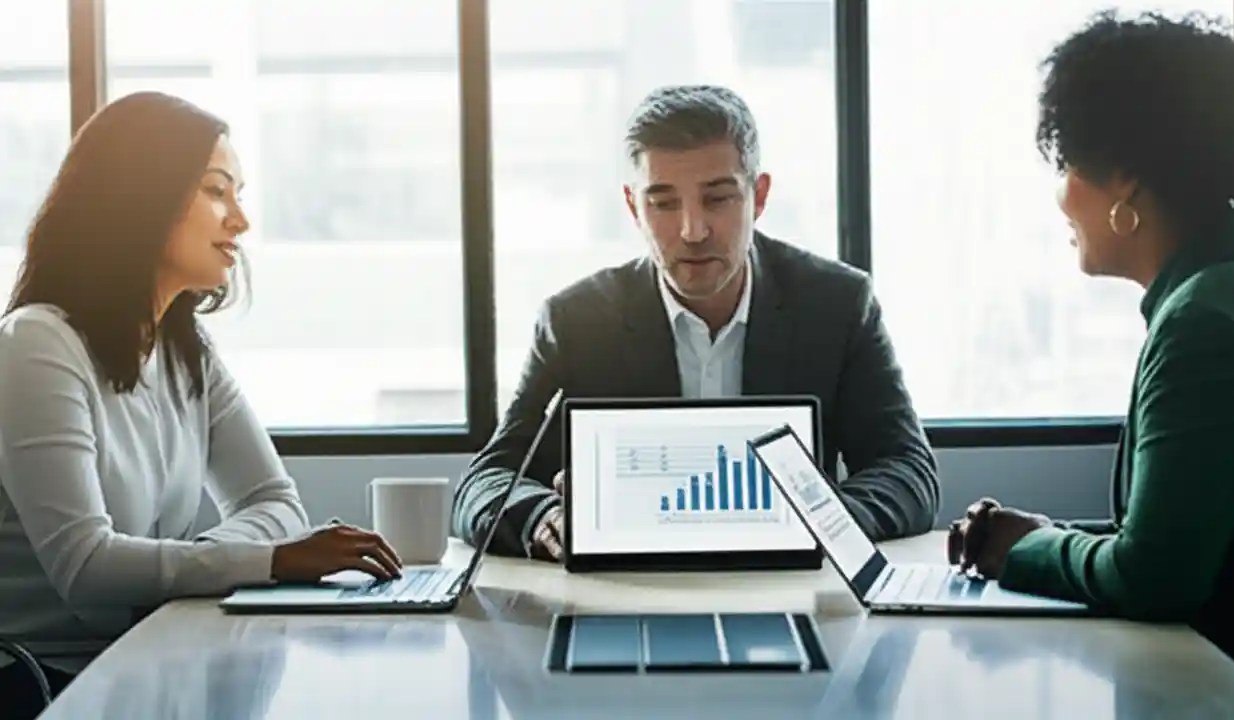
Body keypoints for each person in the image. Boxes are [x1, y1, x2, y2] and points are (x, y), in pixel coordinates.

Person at [0, 92, 402, 717]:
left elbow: (276, 502)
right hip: (44, 683)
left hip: (152, 657)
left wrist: (213, 560)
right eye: (219, 190)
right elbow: (87, 569)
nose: (240, 220)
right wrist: (268, 560)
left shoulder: (185, 348)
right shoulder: (37, 344)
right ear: (139, 197)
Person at [454, 85, 939, 561]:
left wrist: (820, 523)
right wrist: (543, 517)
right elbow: (486, 481)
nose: (692, 230)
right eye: (663, 203)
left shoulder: (836, 305)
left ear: (759, 196)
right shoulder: (576, 322)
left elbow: (906, 469)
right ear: (632, 206)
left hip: (790, 590)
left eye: (718, 199)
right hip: (627, 600)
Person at [949, 12, 1234, 696]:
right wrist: (1045, 534)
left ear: (1125, 183)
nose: (1062, 195)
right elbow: (1190, 534)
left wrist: (1023, 548)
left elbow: (1154, 578)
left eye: (1068, 165)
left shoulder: (1205, 320)